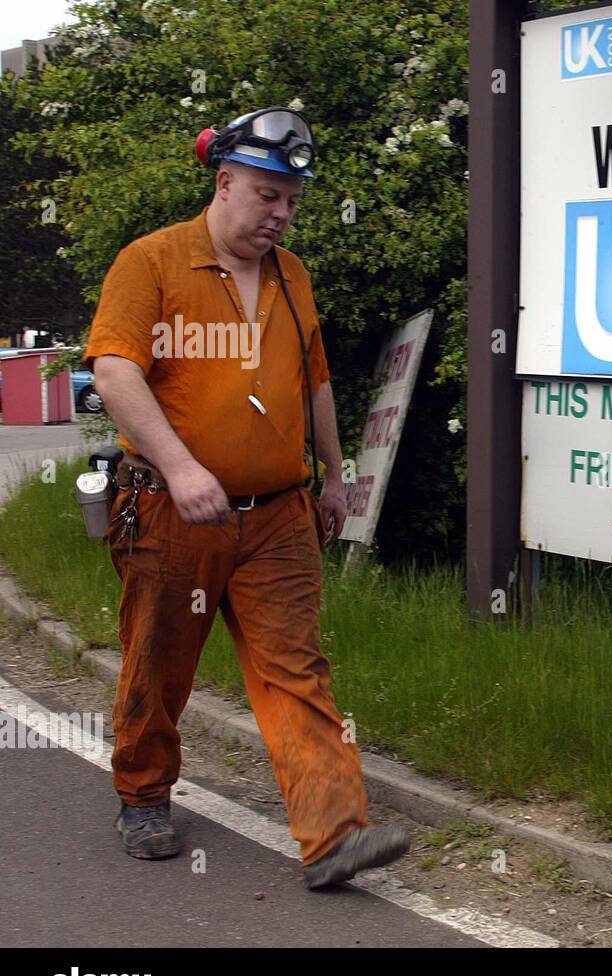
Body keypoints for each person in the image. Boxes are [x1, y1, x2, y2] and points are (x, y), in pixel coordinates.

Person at [83, 107, 409, 889]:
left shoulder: (293, 275)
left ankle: (334, 835)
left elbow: (315, 380)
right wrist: (184, 466)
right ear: (224, 182)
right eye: (268, 195)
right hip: (168, 507)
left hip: (278, 515)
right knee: (159, 661)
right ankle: (144, 792)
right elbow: (115, 371)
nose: (281, 214)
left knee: (295, 668)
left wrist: (335, 475)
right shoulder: (152, 261)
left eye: (292, 201)